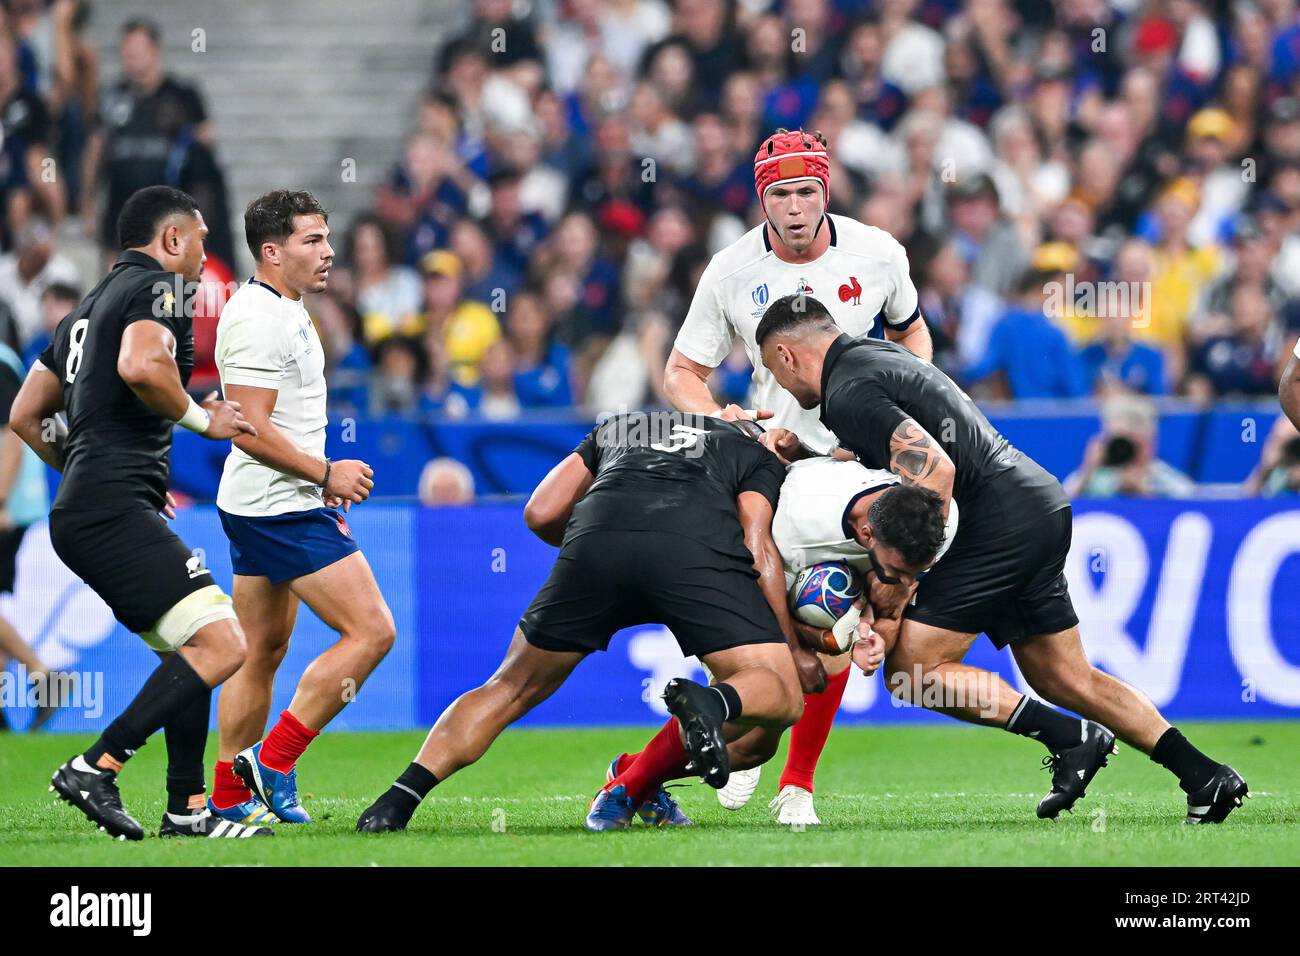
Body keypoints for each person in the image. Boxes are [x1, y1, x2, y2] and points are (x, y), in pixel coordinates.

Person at [754, 293, 1249, 825]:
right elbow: (892, 458)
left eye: (773, 371)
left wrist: (905, 575)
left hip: (995, 519)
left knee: (912, 670)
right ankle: (1204, 775)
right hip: (1034, 499)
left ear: (786, 355)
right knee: (1064, 676)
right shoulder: (877, 357)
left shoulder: (847, 391)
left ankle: (1071, 737)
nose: (781, 386)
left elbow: (935, 473)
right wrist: (805, 458)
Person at [355, 412, 809, 833]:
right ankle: (706, 706)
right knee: (779, 696)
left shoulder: (623, 426)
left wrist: (590, 545)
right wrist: (787, 644)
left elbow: (541, 512)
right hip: (694, 554)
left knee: (508, 686)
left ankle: (397, 800)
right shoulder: (756, 453)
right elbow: (757, 546)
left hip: (596, 541)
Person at [662, 127, 933, 824]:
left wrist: (909, 400)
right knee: (767, 639)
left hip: (853, 464)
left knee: (832, 617)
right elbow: (680, 373)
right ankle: (642, 773)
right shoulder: (729, 270)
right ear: (762, 198)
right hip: (769, 467)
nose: (794, 207)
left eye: (806, 190)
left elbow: (910, 331)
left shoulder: (878, 253)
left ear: (826, 190)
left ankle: (798, 788)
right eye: (780, 193)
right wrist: (725, 420)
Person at [8, 185, 270, 840]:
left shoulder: (89, 306)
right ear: (172, 239)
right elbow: (141, 366)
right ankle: (96, 765)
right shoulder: (162, 288)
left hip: (91, 504)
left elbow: (24, 414)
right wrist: (204, 418)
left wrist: (88, 472)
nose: (208, 252)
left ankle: (187, 809)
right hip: (109, 504)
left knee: (195, 646)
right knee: (224, 642)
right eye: (202, 237)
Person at [209, 190, 394, 826]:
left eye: (326, 237)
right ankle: (274, 760)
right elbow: (249, 429)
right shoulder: (260, 317)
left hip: (260, 502)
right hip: (279, 506)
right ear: (272, 251)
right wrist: (326, 474)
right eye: (312, 240)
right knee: (372, 631)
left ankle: (229, 799)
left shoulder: (278, 307)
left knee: (258, 651)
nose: (329, 252)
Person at [719, 456, 957, 825]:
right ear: (867, 537)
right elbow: (762, 599)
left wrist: (870, 630)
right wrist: (803, 645)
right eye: (900, 572)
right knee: (766, 675)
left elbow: (894, 587)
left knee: (838, 631)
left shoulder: (938, 516)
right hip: (765, 541)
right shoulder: (796, 527)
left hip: (839, 493)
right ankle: (639, 771)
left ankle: (797, 786)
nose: (907, 582)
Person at [1064, 395, 1195, 499]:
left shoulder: (1168, 482)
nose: (1123, 449)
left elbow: (1185, 514)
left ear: (1149, 443)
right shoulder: (1091, 478)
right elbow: (1059, 515)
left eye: (1131, 441)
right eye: (1119, 441)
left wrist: (1143, 494)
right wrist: (1087, 471)